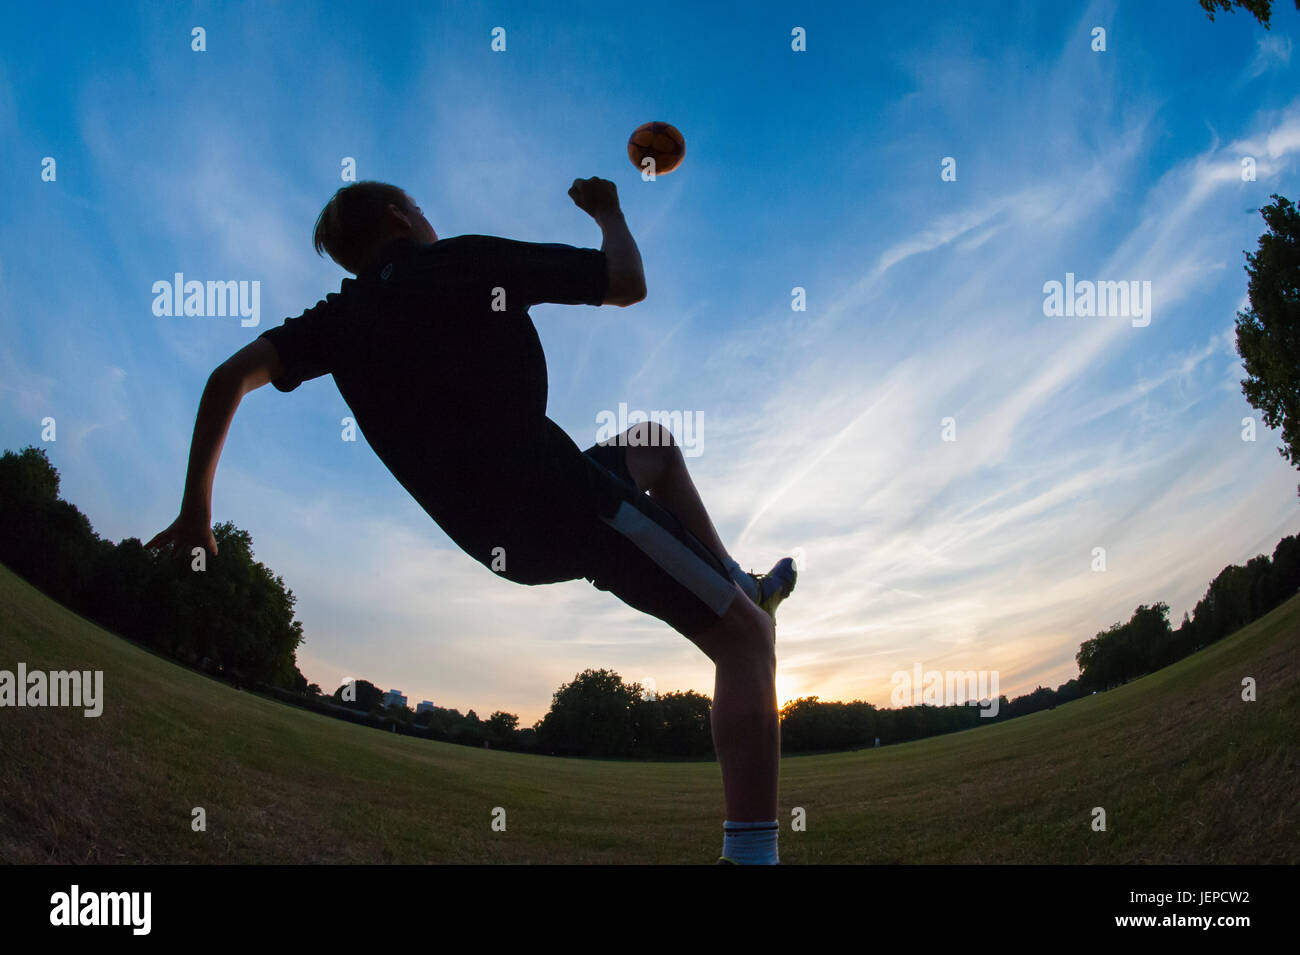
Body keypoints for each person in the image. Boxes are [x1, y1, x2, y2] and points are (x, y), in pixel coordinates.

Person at [147, 178, 797, 864]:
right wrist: (608, 212)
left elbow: (227, 378)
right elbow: (627, 281)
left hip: (504, 539)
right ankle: (750, 853)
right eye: (419, 206)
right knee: (747, 642)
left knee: (656, 448)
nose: (428, 215)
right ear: (400, 216)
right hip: (566, 503)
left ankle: (736, 580)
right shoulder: (464, 260)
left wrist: (196, 509)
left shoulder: (337, 321)